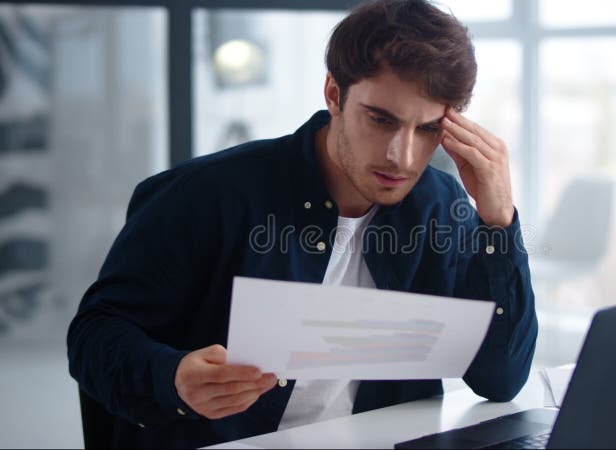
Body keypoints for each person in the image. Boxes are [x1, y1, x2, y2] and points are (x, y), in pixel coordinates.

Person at [67, 0, 537, 448]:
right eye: (380, 119)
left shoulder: (439, 207)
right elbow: (95, 334)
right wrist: (172, 378)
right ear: (334, 94)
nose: (402, 155)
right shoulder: (207, 195)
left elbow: (500, 378)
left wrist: (498, 221)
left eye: (428, 129)